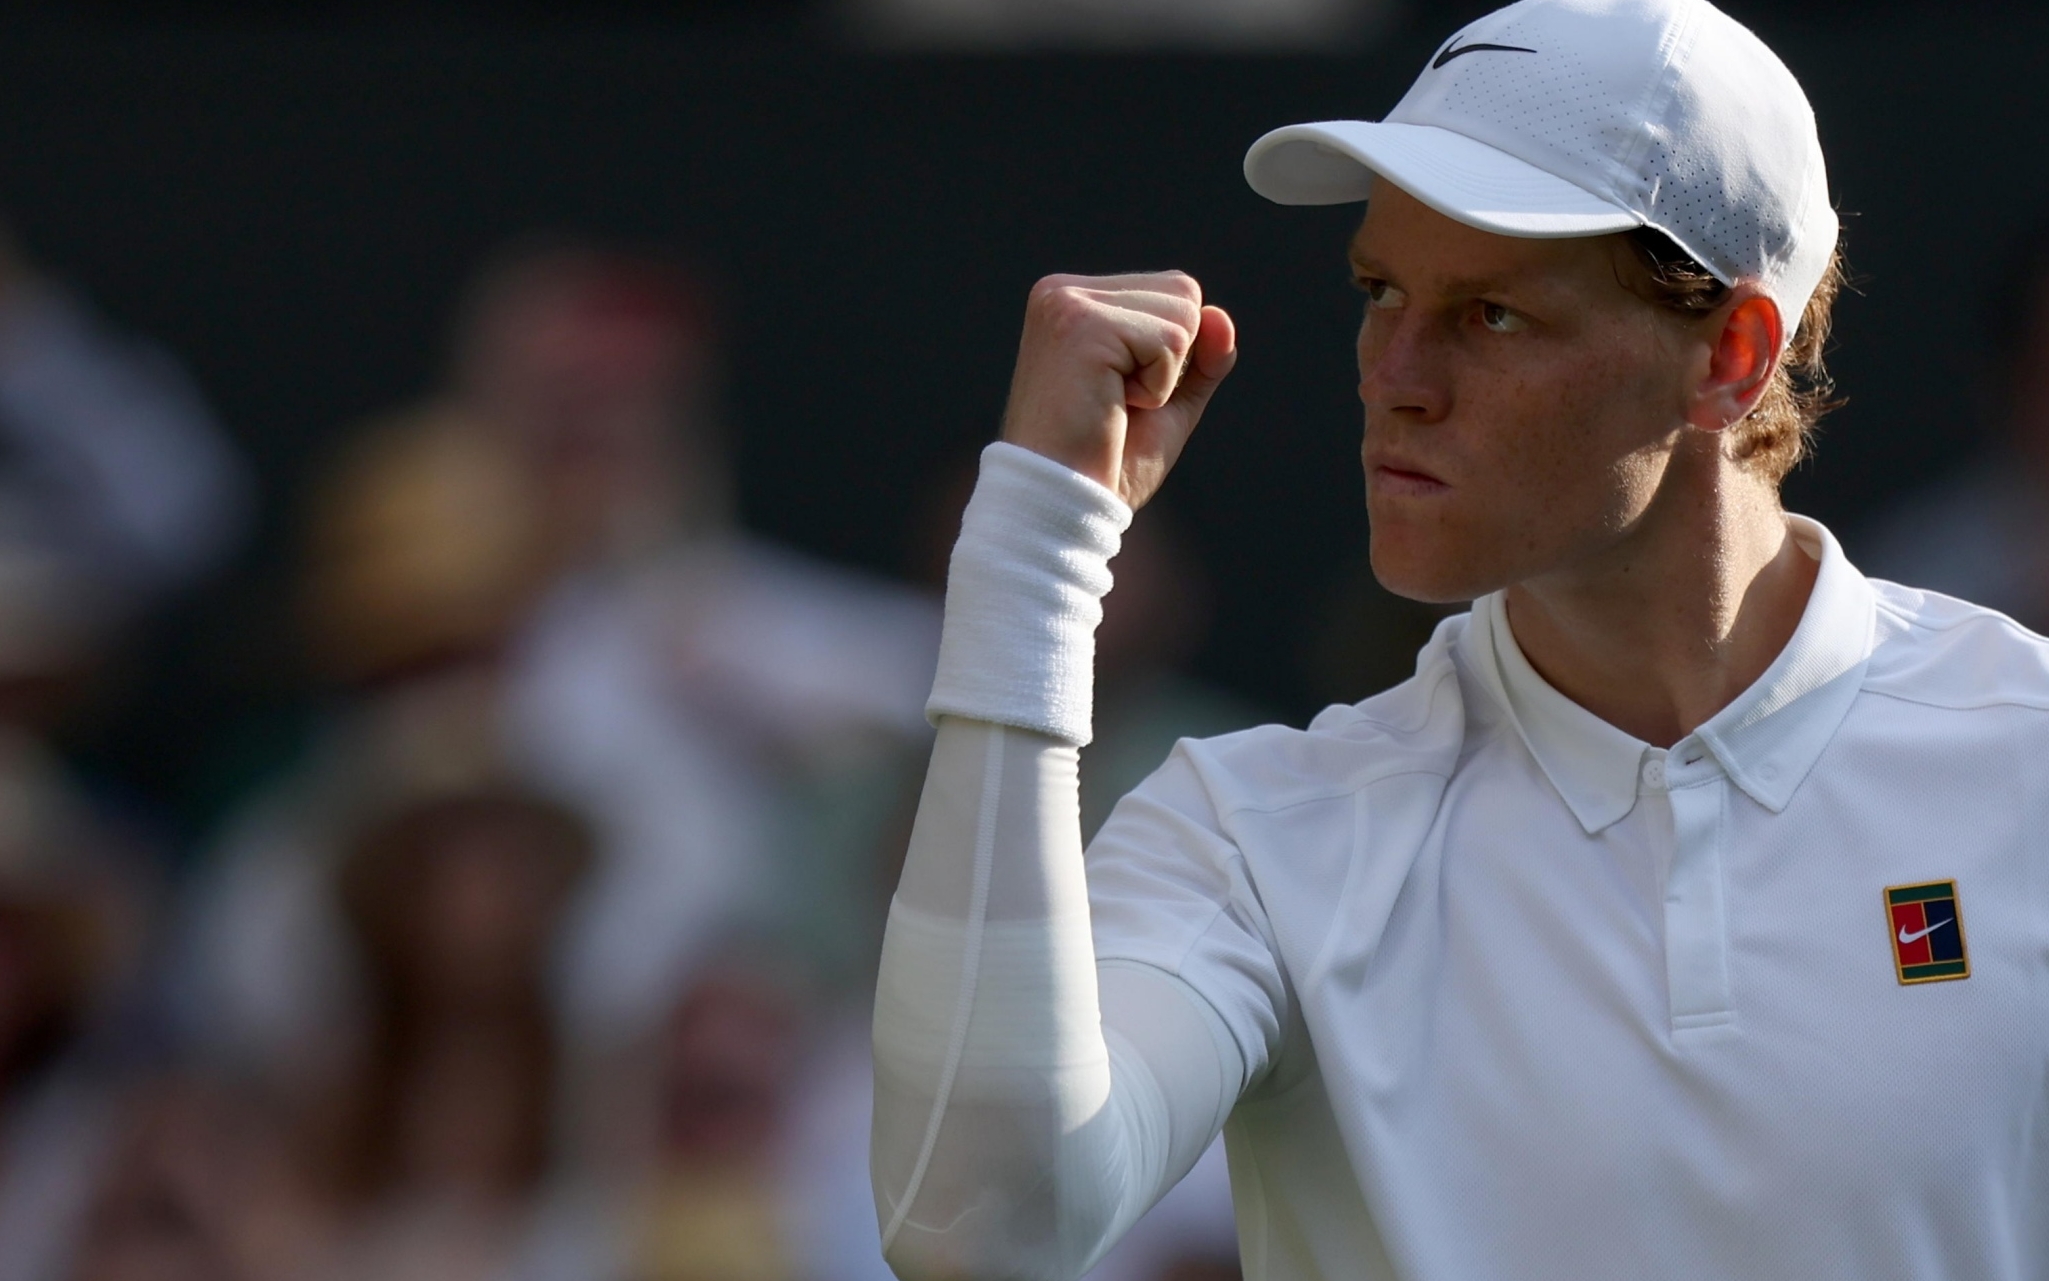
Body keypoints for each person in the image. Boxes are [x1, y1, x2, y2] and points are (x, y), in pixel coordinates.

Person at [871, 1, 2049, 1279]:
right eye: (1381, 291)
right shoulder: (1256, 834)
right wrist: (1032, 555)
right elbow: (980, 1229)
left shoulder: (2026, 757)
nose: (1395, 375)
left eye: (1491, 313)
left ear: (1731, 353)